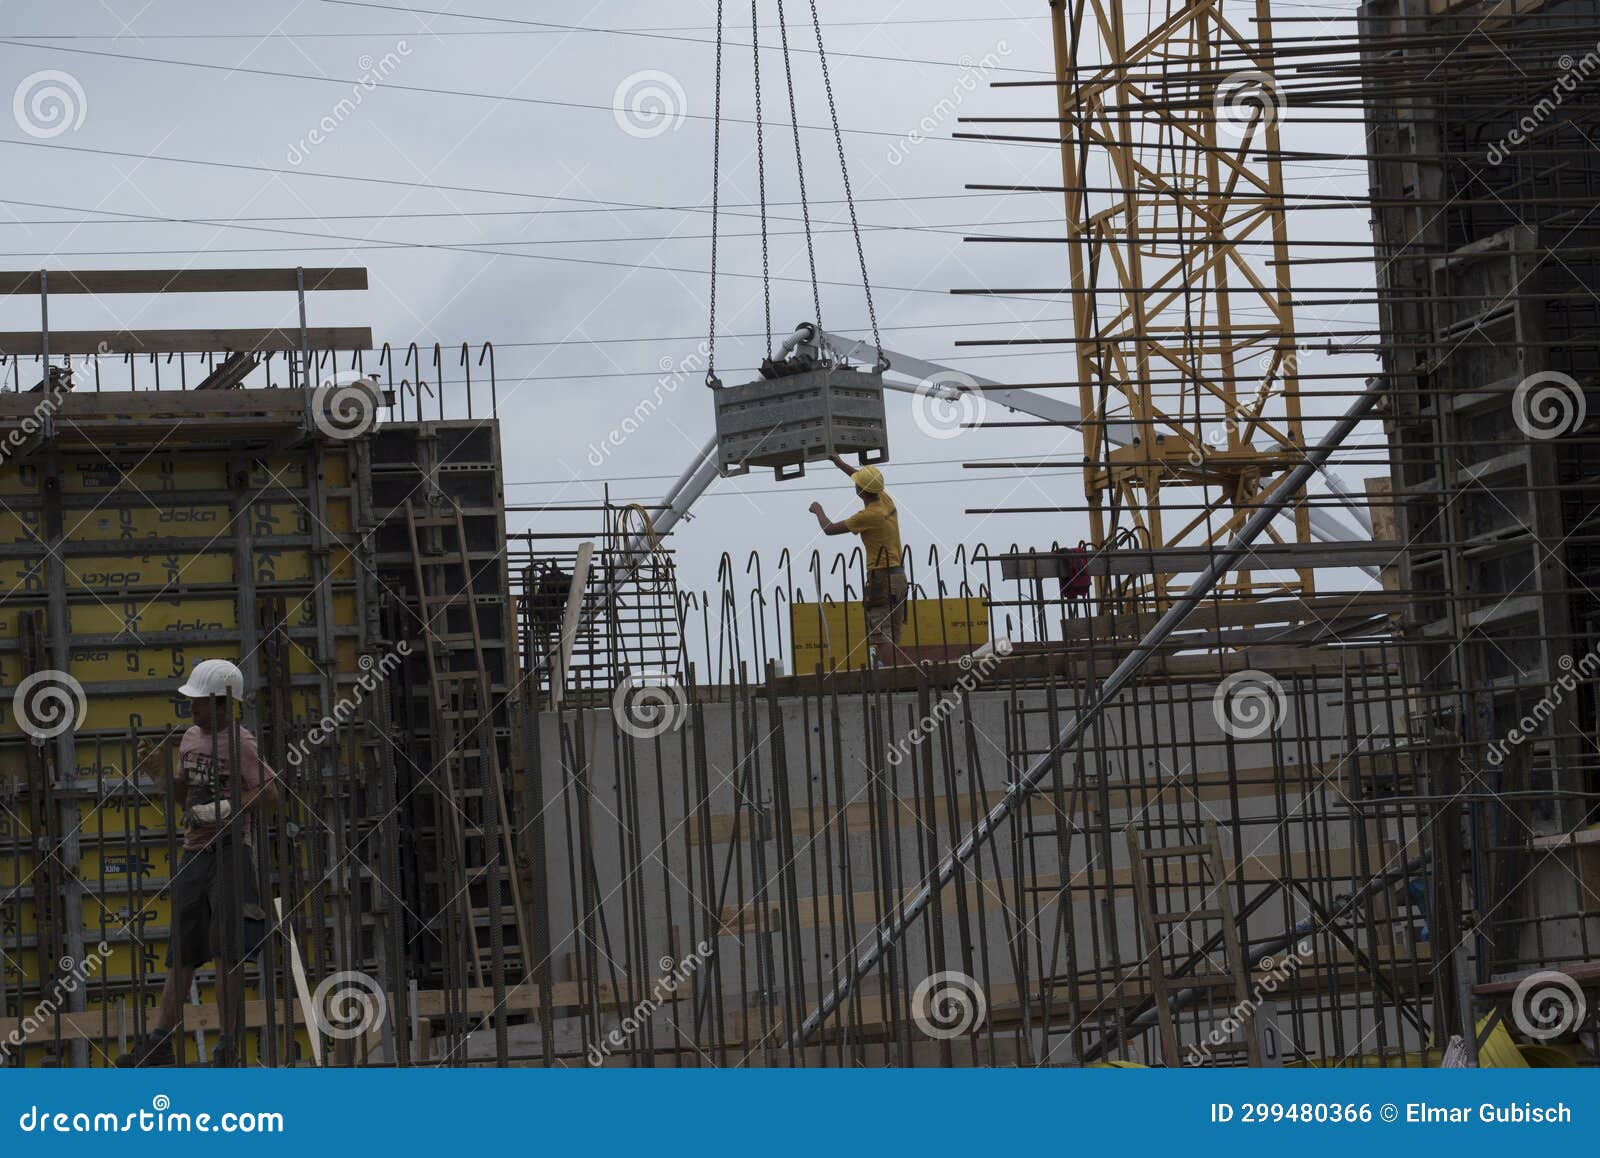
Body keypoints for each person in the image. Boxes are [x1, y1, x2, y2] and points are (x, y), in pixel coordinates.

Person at [117, 659, 278, 1068]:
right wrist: (158, 775)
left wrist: (227, 807)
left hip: (230, 853)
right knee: (182, 952)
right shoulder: (189, 738)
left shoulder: (241, 745)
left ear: (224, 703)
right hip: (194, 853)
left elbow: (272, 795)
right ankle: (159, 1041)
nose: (191, 708)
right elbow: (182, 799)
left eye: (199, 702)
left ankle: (227, 1047)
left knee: (227, 951)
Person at [808, 455, 914, 667]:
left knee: (880, 631)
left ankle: (892, 676)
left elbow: (829, 529)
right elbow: (860, 479)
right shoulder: (885, 500)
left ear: (860, 492)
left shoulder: (867, 516)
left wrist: (818, 510)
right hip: (899, 576)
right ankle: (896, 673)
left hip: (881, 578)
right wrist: (838, 462)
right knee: (892, 630)